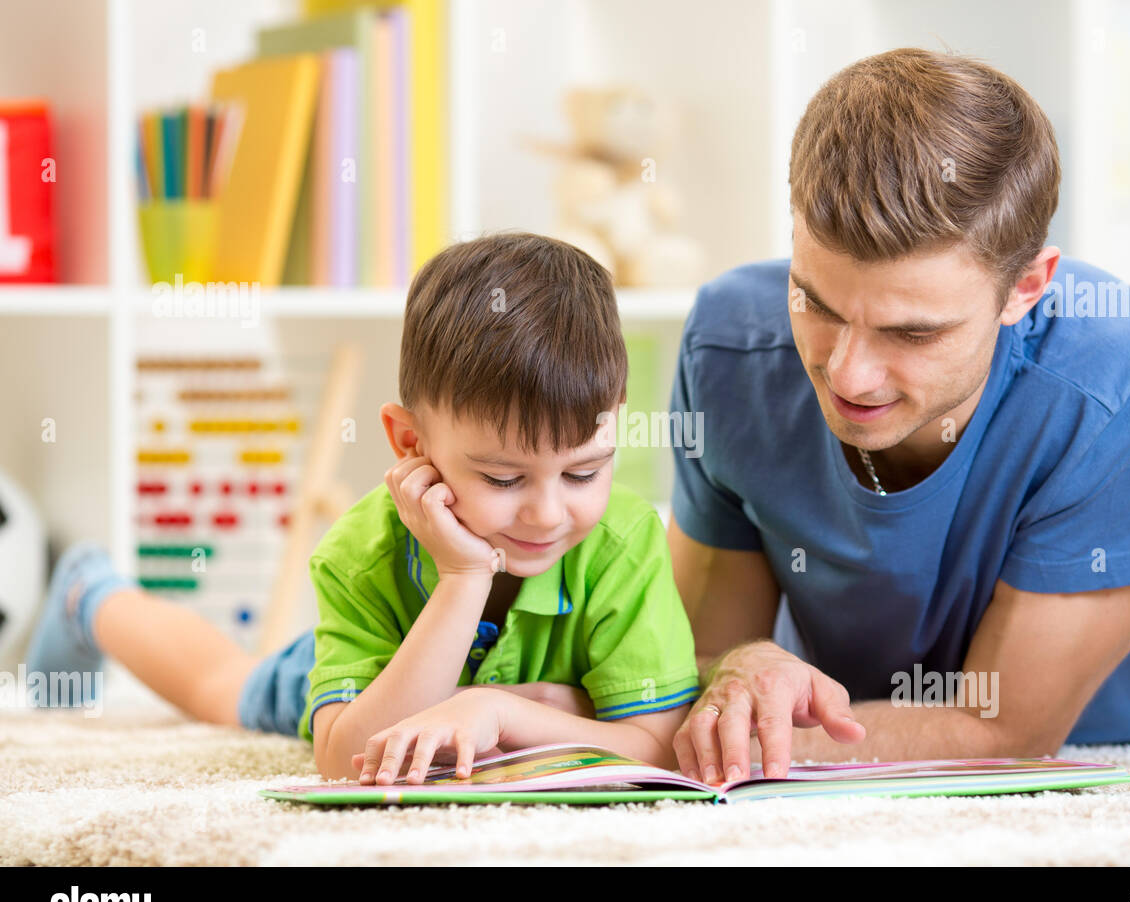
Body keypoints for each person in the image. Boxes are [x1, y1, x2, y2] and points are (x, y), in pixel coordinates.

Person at [666, 48, 1130, 786]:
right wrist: (743, 665)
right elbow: (705, 655)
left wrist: (739, 740)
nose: (847, 373)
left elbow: (1004, 730)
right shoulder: (726, 346)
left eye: (913, 333)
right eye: (819, 304)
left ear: (1025, 286)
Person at [25, 232, 700, 784]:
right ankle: (91, 592)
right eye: (502, 479)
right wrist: (465, 582)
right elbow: (345, 759)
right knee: (222, 688)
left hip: (475, 692)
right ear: (411, 443)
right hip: (379, 673)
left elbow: (663, 749)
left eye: (585, 470)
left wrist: (498, 711)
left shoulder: (626, 539)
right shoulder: (361, 554)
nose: (549, 514)